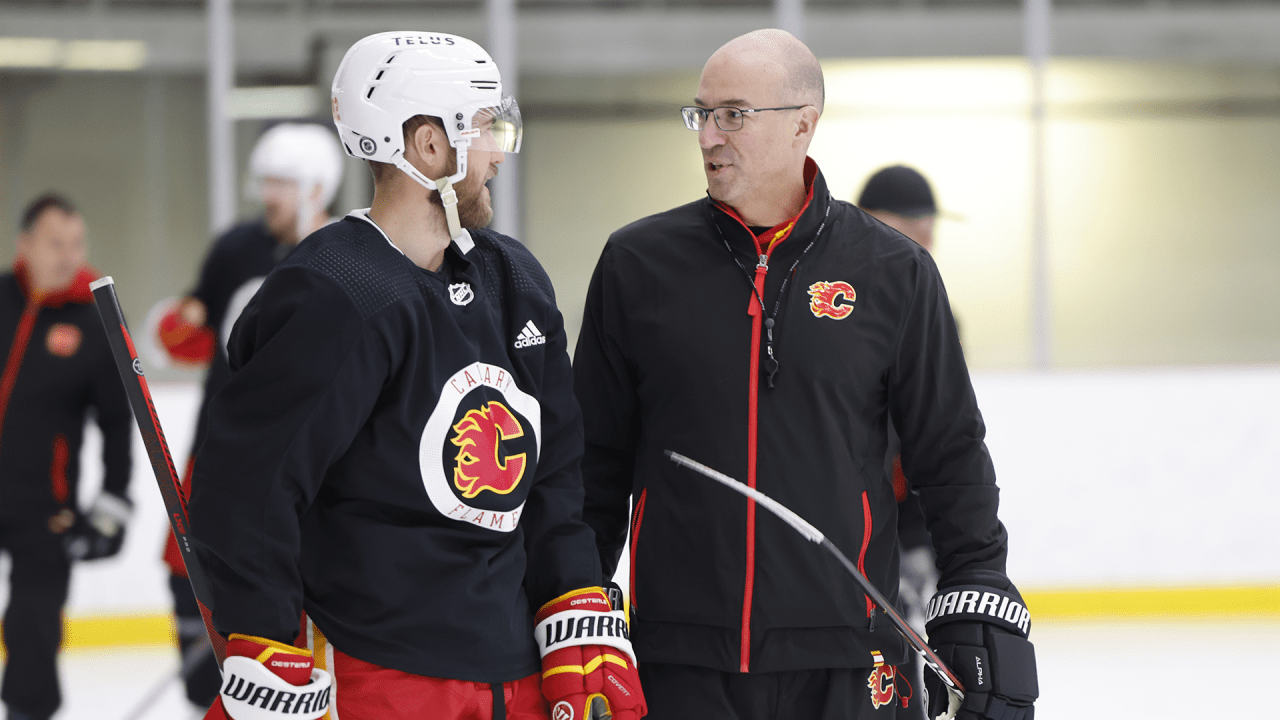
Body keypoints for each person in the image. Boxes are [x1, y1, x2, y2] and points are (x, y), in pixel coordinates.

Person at [574, 29, 1038, 720]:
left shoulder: (893, 273)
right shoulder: (638, 266)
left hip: (853, 658)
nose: (709, 136)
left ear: (802, 123)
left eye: (732, 113)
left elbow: (950, 453)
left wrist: (979, 584)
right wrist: (573, 602)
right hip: (682, 661)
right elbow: (594, 466)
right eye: (700, 113)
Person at [186, 32, 646, 720]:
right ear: (429, 146)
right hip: (381, 669)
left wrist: (573, 602)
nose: (495, 153)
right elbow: (253, 484)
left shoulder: (514, 280)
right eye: (485, 128)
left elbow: (555, 473)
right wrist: (265, 639)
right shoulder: (336, 294)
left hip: (513, 668)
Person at [151, 122, 345, 714]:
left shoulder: (349, 254)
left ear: (316, 186)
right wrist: (175, 327)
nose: (268, 196)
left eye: (281, 183)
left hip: (310, 460)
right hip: (219, 447)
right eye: (264, 182)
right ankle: (202, 696)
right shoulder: (238, 248)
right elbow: (194, 326)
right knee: (187, 573)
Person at [0, 193, 133, 720]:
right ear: (24, 245)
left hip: (45, 505)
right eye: (55, 243)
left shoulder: (94, 320)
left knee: (33, 625)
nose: (68, 255)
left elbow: (117, 424)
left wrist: (114, 503)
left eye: (76, 243)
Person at [857, 164, 947, 720]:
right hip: (850, 519)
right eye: (916, 221)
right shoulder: (836, 307)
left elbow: (936, 434)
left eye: (932, 222)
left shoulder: (934, 306)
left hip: (904, 519)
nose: (930, 234)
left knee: (907, 647)